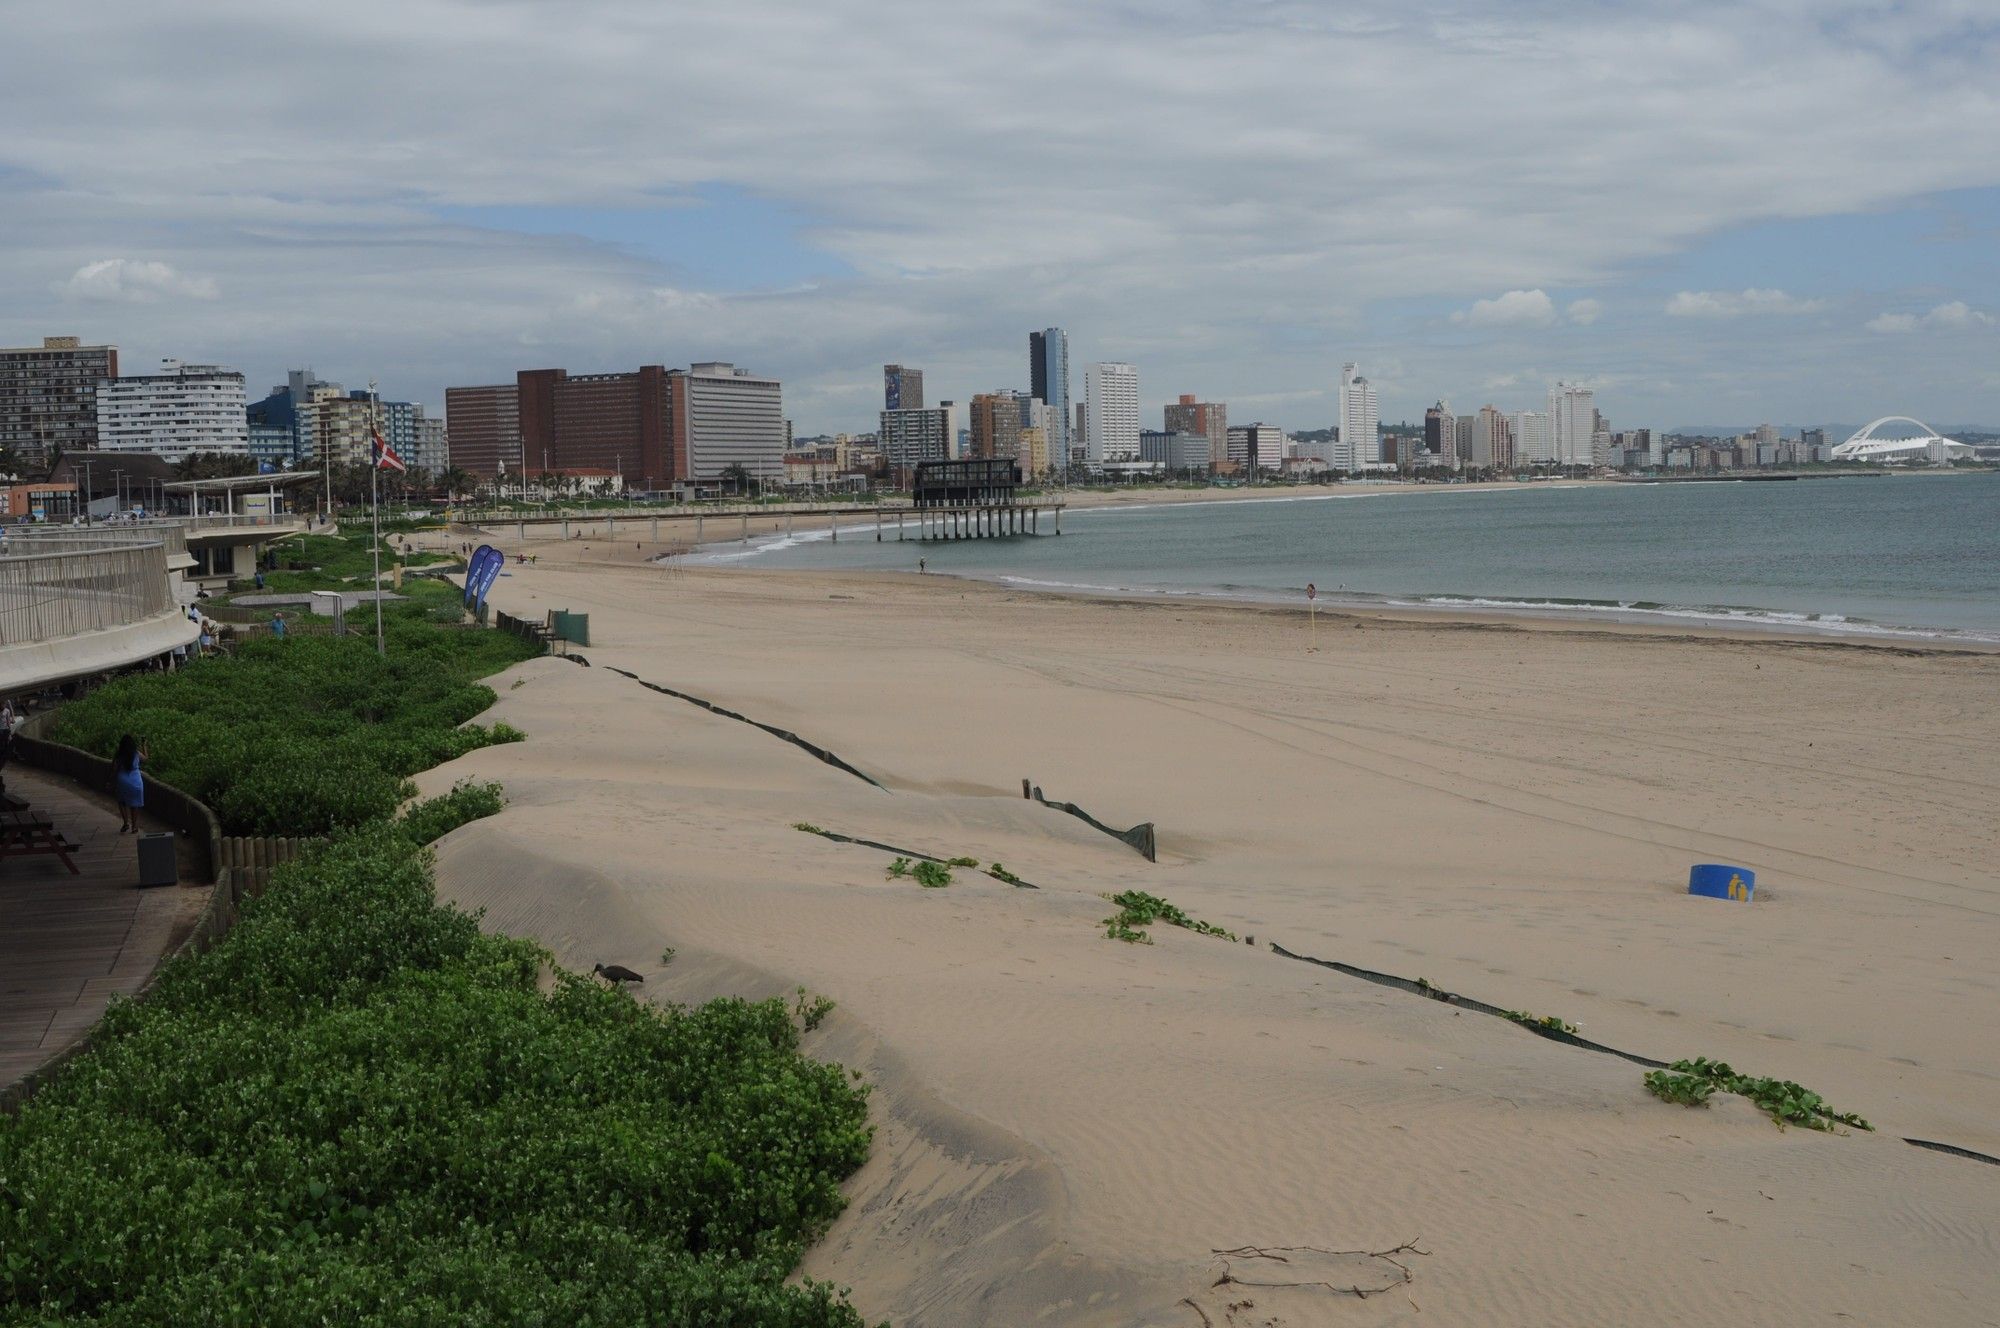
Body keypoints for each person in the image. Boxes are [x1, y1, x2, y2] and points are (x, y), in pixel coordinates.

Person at [113, 734, 147, 833]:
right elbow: (145, 759)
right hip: (136, 781)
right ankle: (135, 826)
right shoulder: (136, 753)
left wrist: (111, 781)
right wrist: (144, 745)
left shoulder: (119, 754)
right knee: (135, 804)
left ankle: (125, 823)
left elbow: (115, 769)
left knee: (121, 802)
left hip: (122, 780)